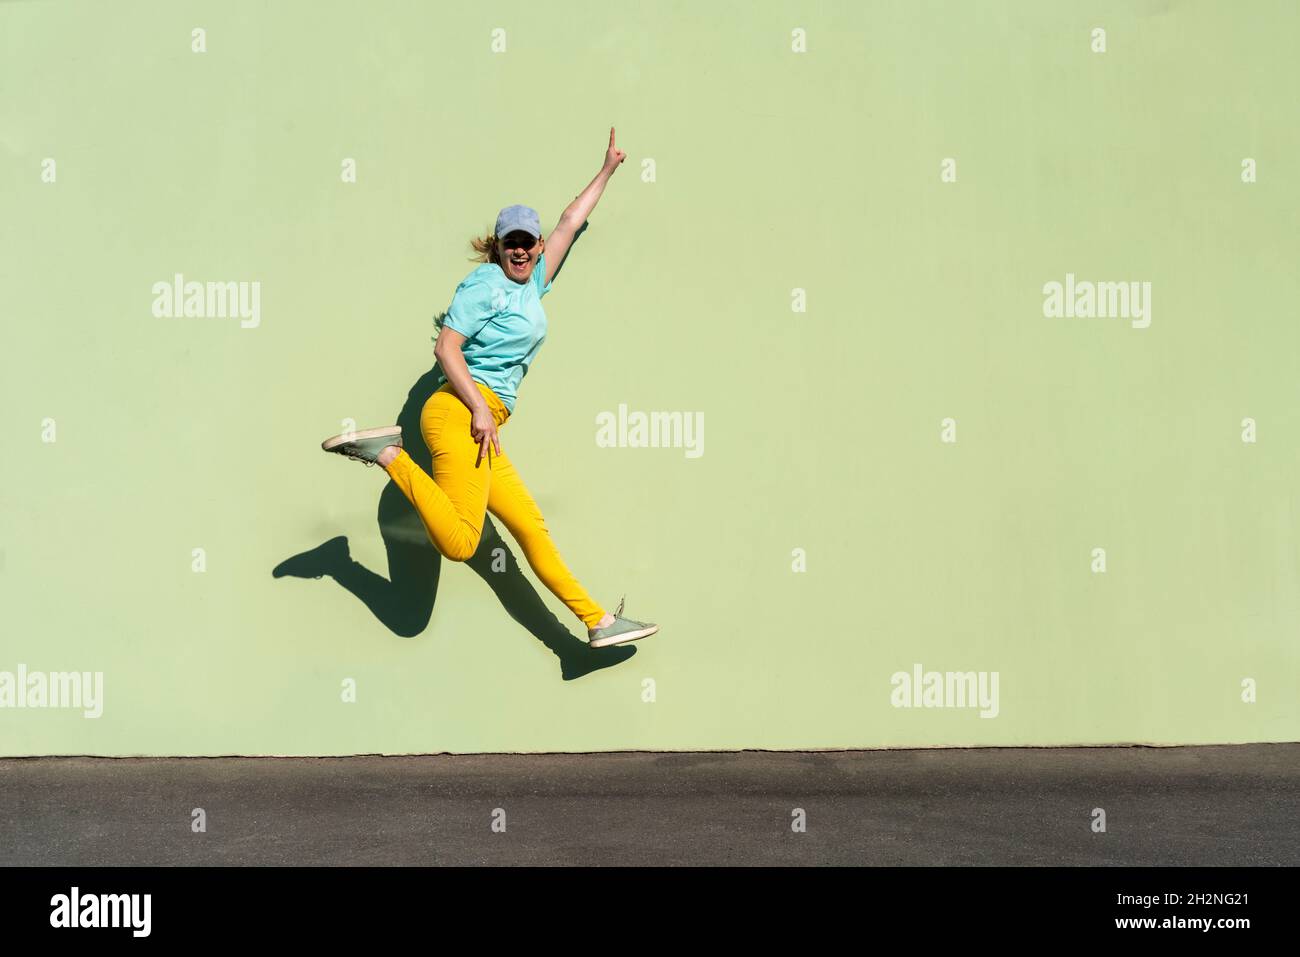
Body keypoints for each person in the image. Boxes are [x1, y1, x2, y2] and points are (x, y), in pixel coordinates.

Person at [320, 128, 657, 649]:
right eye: (512, 242)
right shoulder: (485, 286)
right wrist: (478, 407)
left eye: (528, 241)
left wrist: (608, 168)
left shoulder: (537, 280)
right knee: (460, 543)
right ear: (498, 246)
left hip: (484, 424)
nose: (521, 250)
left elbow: (570, 219)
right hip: (459, 413)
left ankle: (597, 623)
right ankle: (388, 455)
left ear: (537, 246)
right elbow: (446, 349)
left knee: (530, 528)